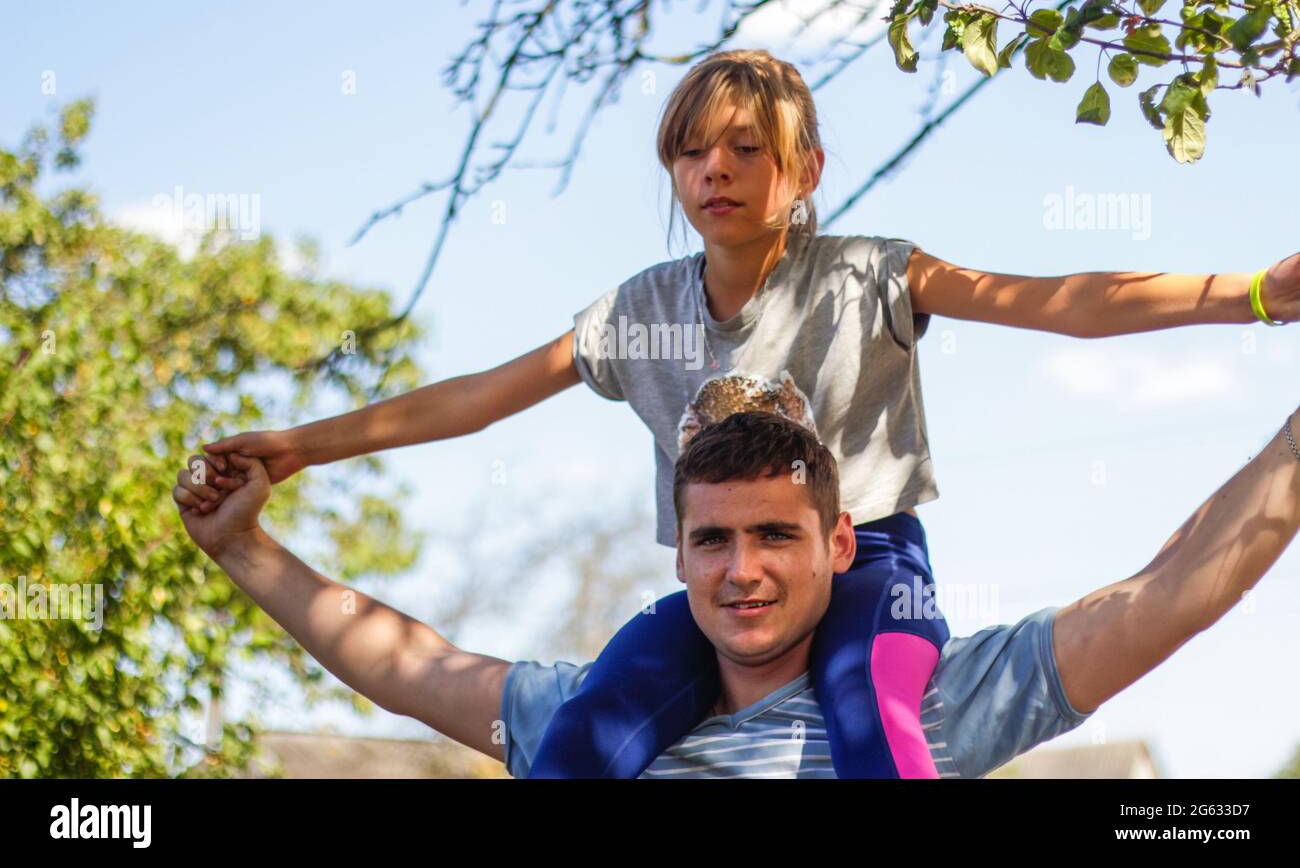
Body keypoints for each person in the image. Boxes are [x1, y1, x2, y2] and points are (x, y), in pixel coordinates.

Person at [190, 49, 1300, 777]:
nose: (712, 169)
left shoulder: (868, 275)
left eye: (744, 148)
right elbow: (477, 399)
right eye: (688, 148)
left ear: (804, 168)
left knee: (871, 710)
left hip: (873, 563)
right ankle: (721, 553)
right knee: (587, 731)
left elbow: (1055, 304)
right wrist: (299, 447)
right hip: (718, 574)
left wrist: (1248, 295)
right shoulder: (643, 312)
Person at [173, 407, 1300, 778]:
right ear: (677, 553)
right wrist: (244, 550)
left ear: (839, 542)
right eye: (712, 538)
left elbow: (1167, 594)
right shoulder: (600, 712)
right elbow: (406, 665)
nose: (741, 568)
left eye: (773, 534)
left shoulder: (934, 701)